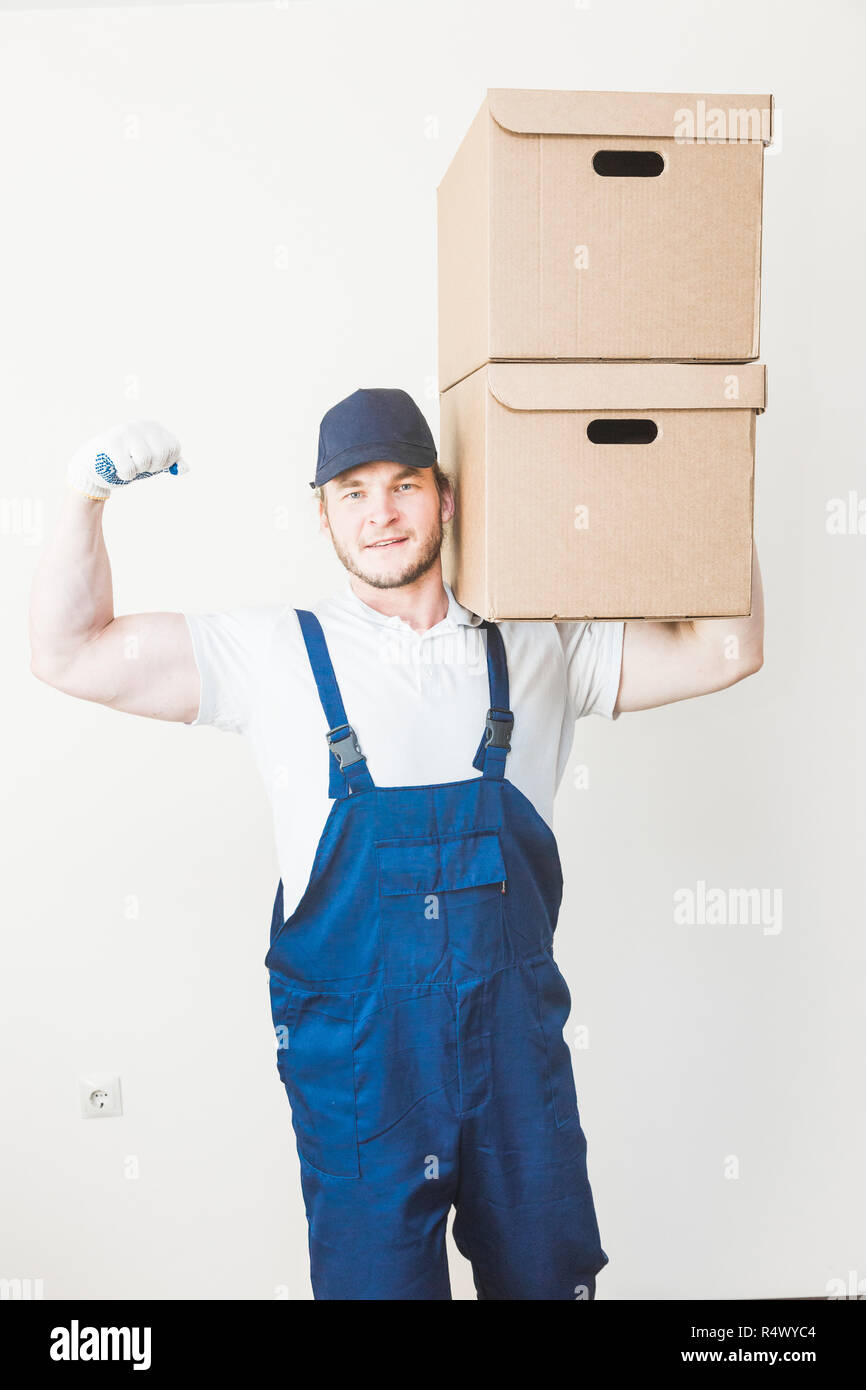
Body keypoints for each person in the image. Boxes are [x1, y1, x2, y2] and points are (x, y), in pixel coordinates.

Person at [28, 389, 764, 1300]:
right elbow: (70, 652)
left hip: (516, 1075)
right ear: (325, 514)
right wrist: (82, 498)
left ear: (446, 499)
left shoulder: (537, 643)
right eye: (353, 492)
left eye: (404, 485)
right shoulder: (274, 656)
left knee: (548, 1282)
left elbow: (728, 650)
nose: (380, 513)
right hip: (363, 1080)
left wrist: (709, 459)